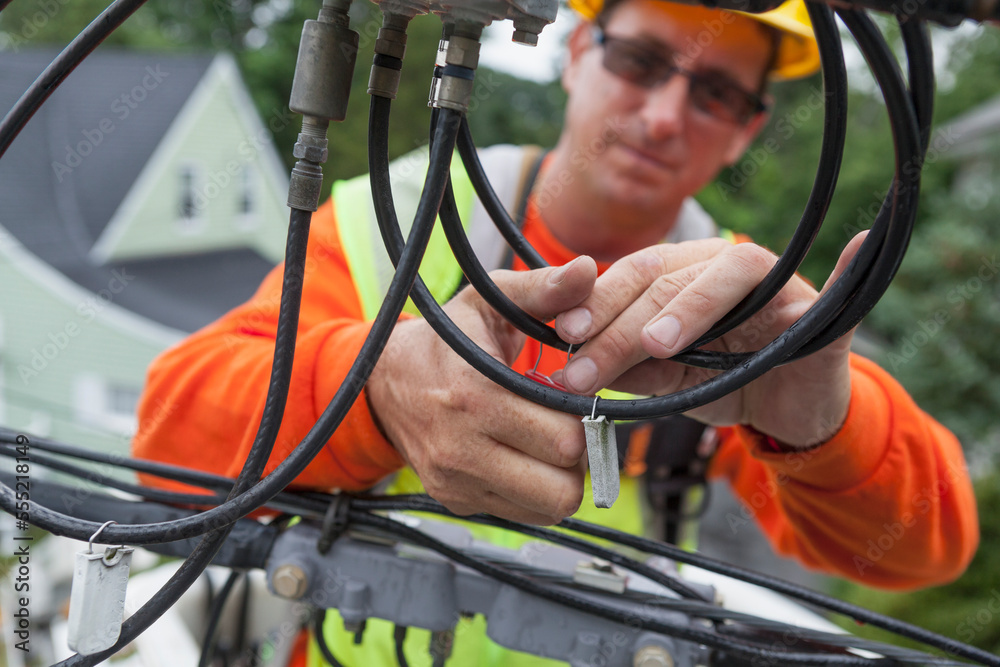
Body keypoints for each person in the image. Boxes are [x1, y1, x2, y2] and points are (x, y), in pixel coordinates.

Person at [133, 0, 979, 663]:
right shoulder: (394, 221)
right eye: (641, 62)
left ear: (748, 132)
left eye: (716, 93)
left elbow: (918, 551)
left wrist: (825, 427)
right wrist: (375, 390)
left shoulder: (742, 308)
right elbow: (169, 438)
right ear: (577, 53)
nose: (662, 116)